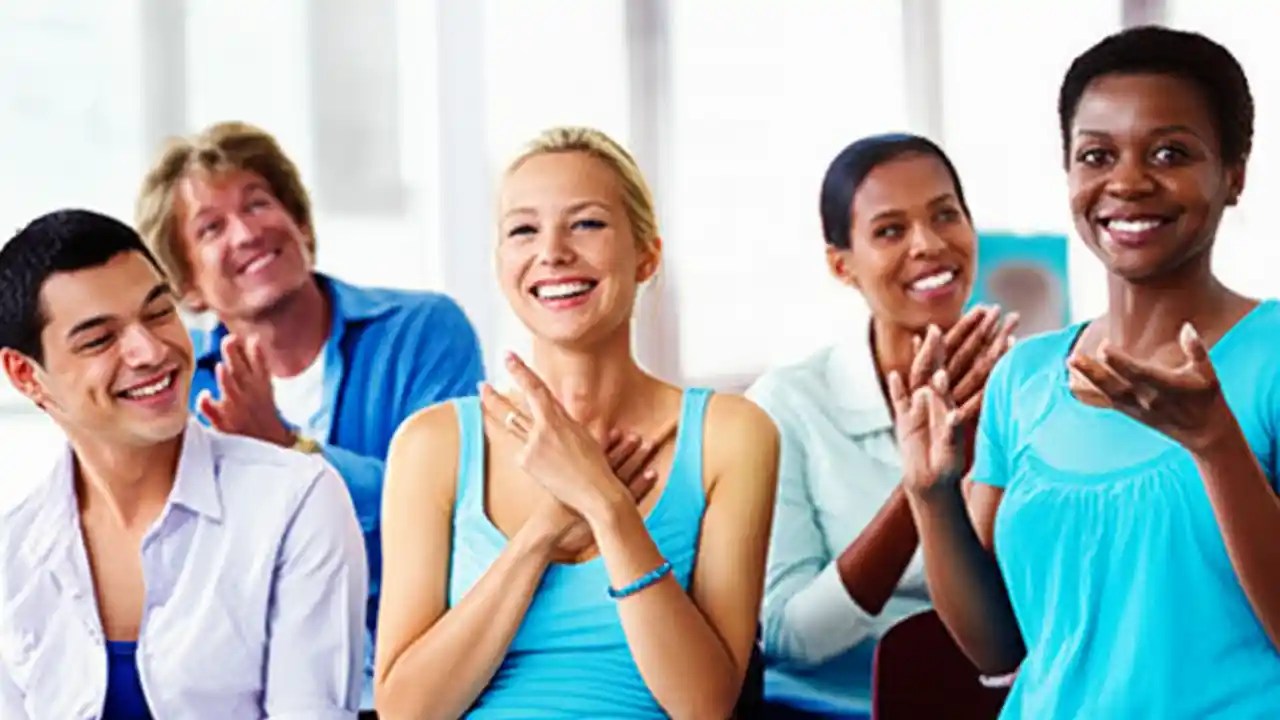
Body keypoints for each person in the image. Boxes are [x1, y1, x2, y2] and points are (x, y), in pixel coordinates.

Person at [899, 26, 1280, 719]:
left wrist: (1217, 444)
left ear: (1235, 172)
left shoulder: (1273, 356)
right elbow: (996, 650)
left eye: (1170, 152)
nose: (1128, 182)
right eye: (1096, 155)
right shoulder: (1025, 378)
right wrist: (931, 494)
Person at [372, 126, 780, 718]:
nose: (553, 252)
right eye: (523, 230)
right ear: (501, 263)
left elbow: (705, 706)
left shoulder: (730, 436)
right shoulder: (432, 445)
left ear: (647, 254)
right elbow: (406, 711)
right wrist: (541, 535)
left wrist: (608, 508)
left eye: (586, 223)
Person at [134, 121, 486, 708]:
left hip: (423, 680)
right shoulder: (178, 387)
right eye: (211, 227)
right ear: (187, 286)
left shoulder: (421, 330)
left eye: (259, 203)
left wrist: (282, 446)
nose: (246, 232)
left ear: (300, 224)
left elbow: (459, 513)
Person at [0, 210, 367, 719]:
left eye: (158, 312)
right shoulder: (14, 552)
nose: (150, 351)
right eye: (99, 340)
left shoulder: (294, 500)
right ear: (26, 375)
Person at [745, 133, 1016, 718]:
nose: (929, 244)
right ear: (842, 264)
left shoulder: (1024, 384)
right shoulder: (787, 405)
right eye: (890, 230)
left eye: (946, 215)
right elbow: (790, 637)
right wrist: (923, 486)